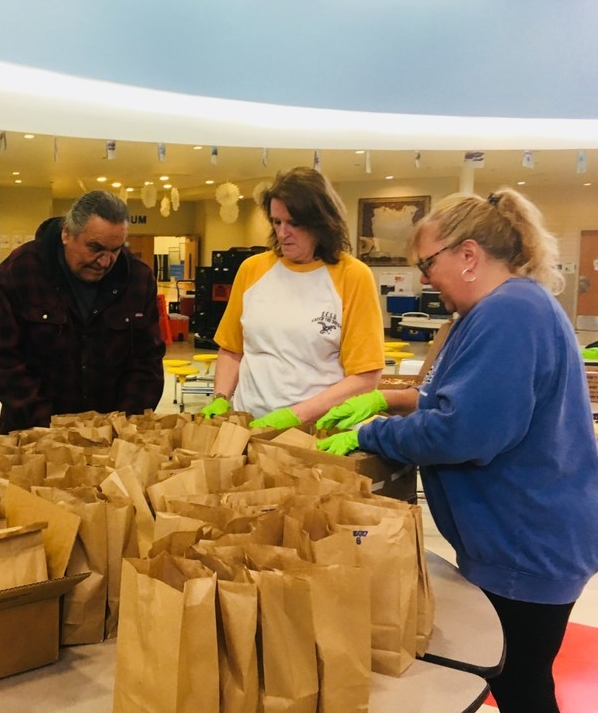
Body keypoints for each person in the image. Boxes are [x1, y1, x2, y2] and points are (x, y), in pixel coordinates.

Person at [316, 189, 598, 713]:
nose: (424, 278)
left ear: (468, 256)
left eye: (428, 263)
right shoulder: (502, 309)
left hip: (528, 542)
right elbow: (467, 398)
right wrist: (391, 399)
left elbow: (463, 433)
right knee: (521, 682)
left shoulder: (508, 314)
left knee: (521, 685)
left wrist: (368, 435)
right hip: (529, 533)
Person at [201, 166, 384, 428]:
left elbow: (366, 376)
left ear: (322, 223)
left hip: (317, 428)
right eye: (277, 222)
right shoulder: (253, 269)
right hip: (249, 424)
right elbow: (232, 349)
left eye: (294, 224)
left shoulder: (352, 276)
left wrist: (297, 415)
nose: (282, 233)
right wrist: (220, 397)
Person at [0, 189, 165, 434]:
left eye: (115, 250)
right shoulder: (19, 271)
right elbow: (4, 360)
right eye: (95, 248)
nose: (105, 261)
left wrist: (121, 425)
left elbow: (147, 363)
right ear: (66, 234)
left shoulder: (138, 278)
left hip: (114, 436)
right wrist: (50, 426)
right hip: (32, 432)